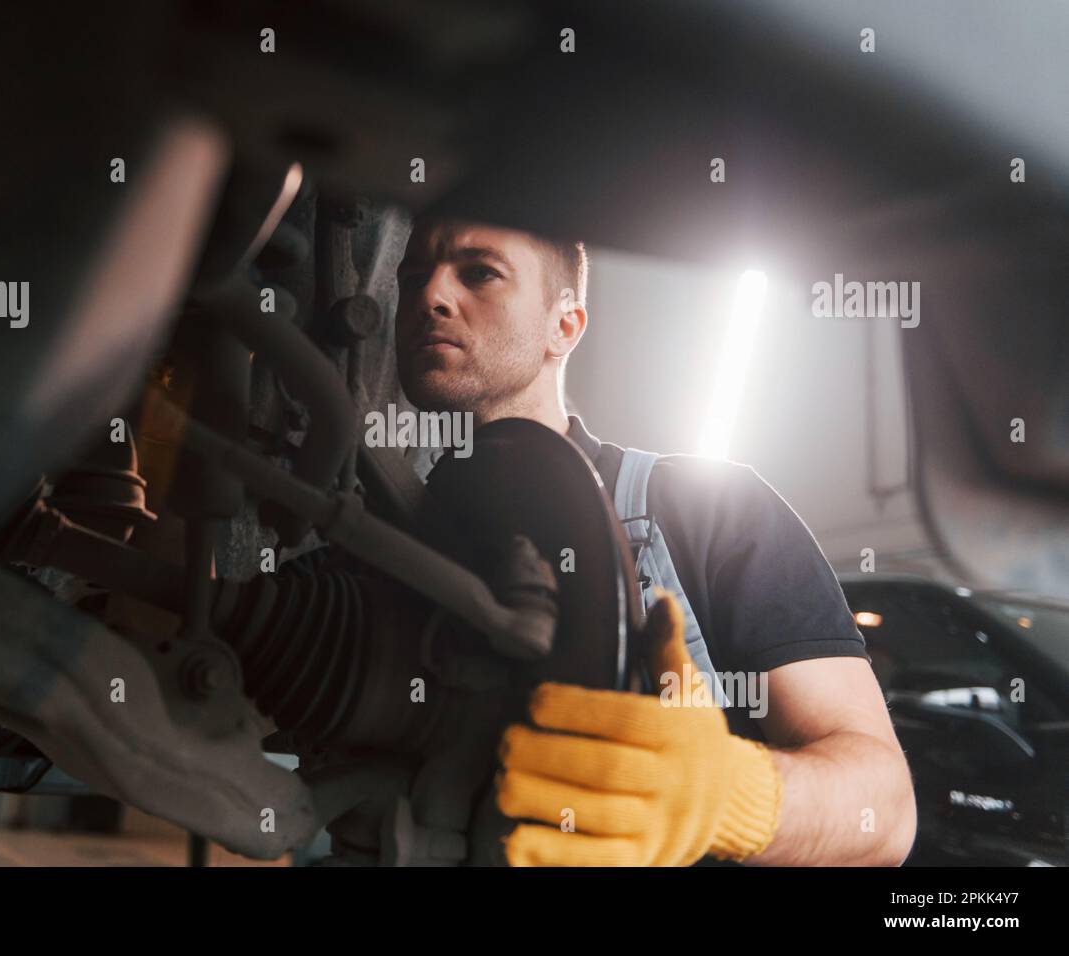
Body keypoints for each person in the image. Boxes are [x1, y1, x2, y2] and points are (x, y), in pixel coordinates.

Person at [393, 217, 917, 866]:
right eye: (413, 276)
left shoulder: (710, 507)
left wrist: (726, 796)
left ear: (565, 326)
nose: (430, 296)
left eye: (480, 273)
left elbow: (885, 812)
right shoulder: (387, 542)